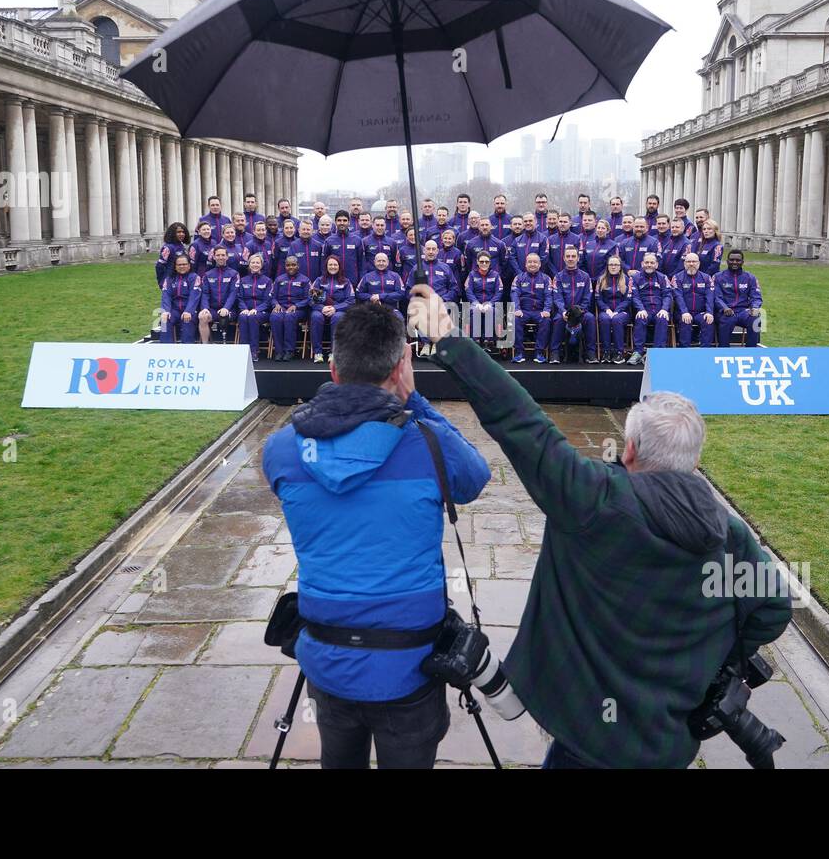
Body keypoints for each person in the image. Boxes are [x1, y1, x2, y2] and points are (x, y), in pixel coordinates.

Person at [402, 287, 792, 769]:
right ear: (692, 461)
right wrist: (719, 659)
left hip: (588, 744)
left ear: (629, 450)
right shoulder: (731, 535)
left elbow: (523, 424)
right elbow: (773, 609)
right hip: (668, 745)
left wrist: (448, 337)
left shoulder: (596, 500)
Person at [262, 302, 491, 770]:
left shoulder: (281, 450)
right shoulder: (428, 442)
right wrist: (416, 400)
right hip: (410, 664)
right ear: (401, 364)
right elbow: (473, 477)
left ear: (333, 368)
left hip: (326, 657)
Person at [551, 246, 597, 365]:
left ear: (578, 258)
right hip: (564, 312)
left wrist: (580, 311)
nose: (570, 259)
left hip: (581, 312)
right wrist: (563, 312)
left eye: (573, 256)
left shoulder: (585, 277)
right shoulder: (558, 277)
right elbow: (557, 297)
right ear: (564, 258)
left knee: (590, 318)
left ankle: (590, 353)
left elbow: (588, 297)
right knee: (558, 320)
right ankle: (555, 353)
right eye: (568, 256)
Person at [714, 250, 764, 348]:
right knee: (727, 321)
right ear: (727, 261)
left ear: (742, 262)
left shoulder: (750, 278)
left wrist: (755, 307)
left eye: (738, 260)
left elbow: (756, 296)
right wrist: (724, 308)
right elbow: (716, 297)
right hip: (725, 311)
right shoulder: (718, 277)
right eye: (732, 260)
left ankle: (751, 350)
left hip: (743, 312)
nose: (735, 262)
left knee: (755, 319)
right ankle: (723, 350)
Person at [310, 256, 355, 363]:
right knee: (315, 316)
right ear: (326, 266)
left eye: (335, 265)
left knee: (338, 317)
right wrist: (322, 307)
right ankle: (318, 353)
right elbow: (311, 300)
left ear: (339, 267)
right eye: (330, 264)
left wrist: (335, 308)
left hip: (338, 311)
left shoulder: (346, 282)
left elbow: (351, 301)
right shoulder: (319, 281)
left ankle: (334, 352)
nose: (333, 267)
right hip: (321, 309)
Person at [510, 252, 554, 364]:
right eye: (530, 262)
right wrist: (516, 309)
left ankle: (539, 352)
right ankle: (519, 352)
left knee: (546, 320)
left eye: (535, 262)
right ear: (525, 264)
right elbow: (514, 294)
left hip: (539, 312)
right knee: (514, 319)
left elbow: (549, 296)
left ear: (540, 264)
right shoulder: (519, 278)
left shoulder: (546, 278)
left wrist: (546, 310)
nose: (532, 264)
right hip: (523, 311)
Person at [630, 252, 671, 366]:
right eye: (647, 262)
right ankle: (638, 352)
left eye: (652, 263)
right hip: (644, 310)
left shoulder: (663, 277)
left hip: (659, 310)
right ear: (642, 264)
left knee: (662, 319)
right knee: (640, 318)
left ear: (656, 265)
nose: (649, 265)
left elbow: (667, 295)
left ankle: (658, 353)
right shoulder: (635, 278)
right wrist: (640, 309)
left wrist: (664, 309)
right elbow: (635, 296)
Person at [269, 255, 311, 362]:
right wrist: (276, 305)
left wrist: (297, 306)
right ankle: (279, 351)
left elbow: (309, 299)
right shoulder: (279, 279)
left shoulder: (305, 280)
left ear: (298, 266)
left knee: (289, 317)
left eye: (293, 265)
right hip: (281, 308)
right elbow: (272, 297)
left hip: (299, 309)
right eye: (288, 265)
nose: (291, 267)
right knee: (274, 317)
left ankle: (289, 350)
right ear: (285, 266)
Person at [198, 246, 241, 344]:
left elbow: (233, 293)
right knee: (202, 317)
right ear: (213, 257)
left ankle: (225, 345)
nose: (220, 257)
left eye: (223, 255)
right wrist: (205, 308)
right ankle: (205, 345)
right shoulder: (208, 274)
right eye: (218, 255)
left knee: (224, 317)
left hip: (230, 310)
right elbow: (205, 293)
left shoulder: (234, 274)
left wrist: (226, 308)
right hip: (213, 309)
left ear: (227, 257)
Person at [673, 252, 716, 349]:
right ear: (684, 264)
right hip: (682, 313)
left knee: (708, 320)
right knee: (686, 321)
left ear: (699, 263)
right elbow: (678, 297)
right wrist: (684, 312)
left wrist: (709, 312)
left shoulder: (706, 278)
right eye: (688, 261)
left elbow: (710, 297)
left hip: (700, 313)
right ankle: (685, 351)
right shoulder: (677, 278)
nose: (691, 264)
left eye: (694, 261)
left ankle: (705, 351)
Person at [236, 252, 274, 360]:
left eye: (258, 262)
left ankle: (254, 351)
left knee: (252, 317)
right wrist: (244, 309)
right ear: (249, 264)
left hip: (262, 312)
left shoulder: (267, 281)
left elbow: (268, 301)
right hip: (246, 311)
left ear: (261, 265)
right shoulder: (243, 280)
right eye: (253, 262)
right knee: (243, 317)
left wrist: (256, 309)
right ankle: (243, 351)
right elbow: (239, 298)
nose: (255, 265)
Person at [595, 255, 632, 365]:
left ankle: (619, 353)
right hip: (606, 311)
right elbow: (598, 298)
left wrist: (617, 310)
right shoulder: (601, 279)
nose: (613, 267)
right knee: (605, 319)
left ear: (620, 267)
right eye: (611, 264)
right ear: (607, 266)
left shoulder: (626, 279)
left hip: (622, 312)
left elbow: (628, 299)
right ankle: (606, 352)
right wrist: (606, 309)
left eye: (616, 264)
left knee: (616, 320)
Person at [159, 254, 201, 345]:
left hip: (190, 310)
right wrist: (166, 311)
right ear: (175, 266)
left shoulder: (194, 277)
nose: (182, 266)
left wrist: (188, 311)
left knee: (187, 320)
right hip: (175, 310)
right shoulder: (169, 279)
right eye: (179, 265)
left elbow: (194, 296)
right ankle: (165, 350)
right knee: (164, 320)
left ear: (189, 265)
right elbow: (166, 295)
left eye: (184, 264)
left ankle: (187, 349)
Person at [464, 251, 503, 349]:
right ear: (477, 262)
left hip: (491, 305)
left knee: (491, 311)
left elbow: (499, 292)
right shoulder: (472, 275)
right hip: (475, 304)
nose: (484, 264)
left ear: (490, 262)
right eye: (481, 261)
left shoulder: (495, 275)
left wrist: (490, 304)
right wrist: (476, 303)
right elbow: (468, 290)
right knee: (475, 310)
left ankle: (488, 341)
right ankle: (475, 340)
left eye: (486, 261)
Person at [356, 252, 407, 320]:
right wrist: (371, 297)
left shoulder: (395, 276)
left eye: (383, 261)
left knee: (400, 319)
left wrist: (380, 296)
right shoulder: (367, 277)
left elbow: (401, 293)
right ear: (374, 262)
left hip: (390, 308)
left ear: (388, 262)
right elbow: (359, 293)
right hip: (371, 308)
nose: (381, 263)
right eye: (379, 261)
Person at [323, 210, 363, 285]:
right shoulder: (329, 241)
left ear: (349, 222)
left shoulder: (357, 240)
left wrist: (361, 280)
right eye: (339, 220)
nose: (342, 223)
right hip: (334, 282)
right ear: (335, 222)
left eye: (345, 220)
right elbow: (324, 263)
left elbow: (361, 263)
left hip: (353, 281)